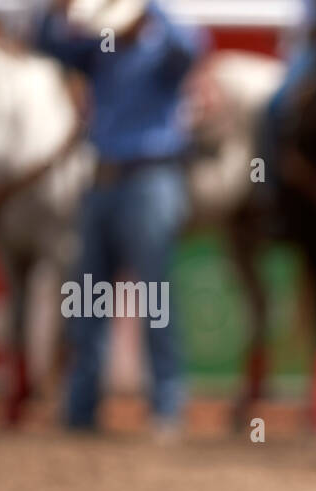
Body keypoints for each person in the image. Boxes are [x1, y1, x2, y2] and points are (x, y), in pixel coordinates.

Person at [35, 0, 207, 438]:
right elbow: (48, 42)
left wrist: (150, 8)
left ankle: (166, 408)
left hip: (151, 180)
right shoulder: (100, 51)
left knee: (155, 298)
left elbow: (192, 48)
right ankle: (81, 409)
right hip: (102, 183)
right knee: (87, 298)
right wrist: (56, 10)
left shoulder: (163, 51)